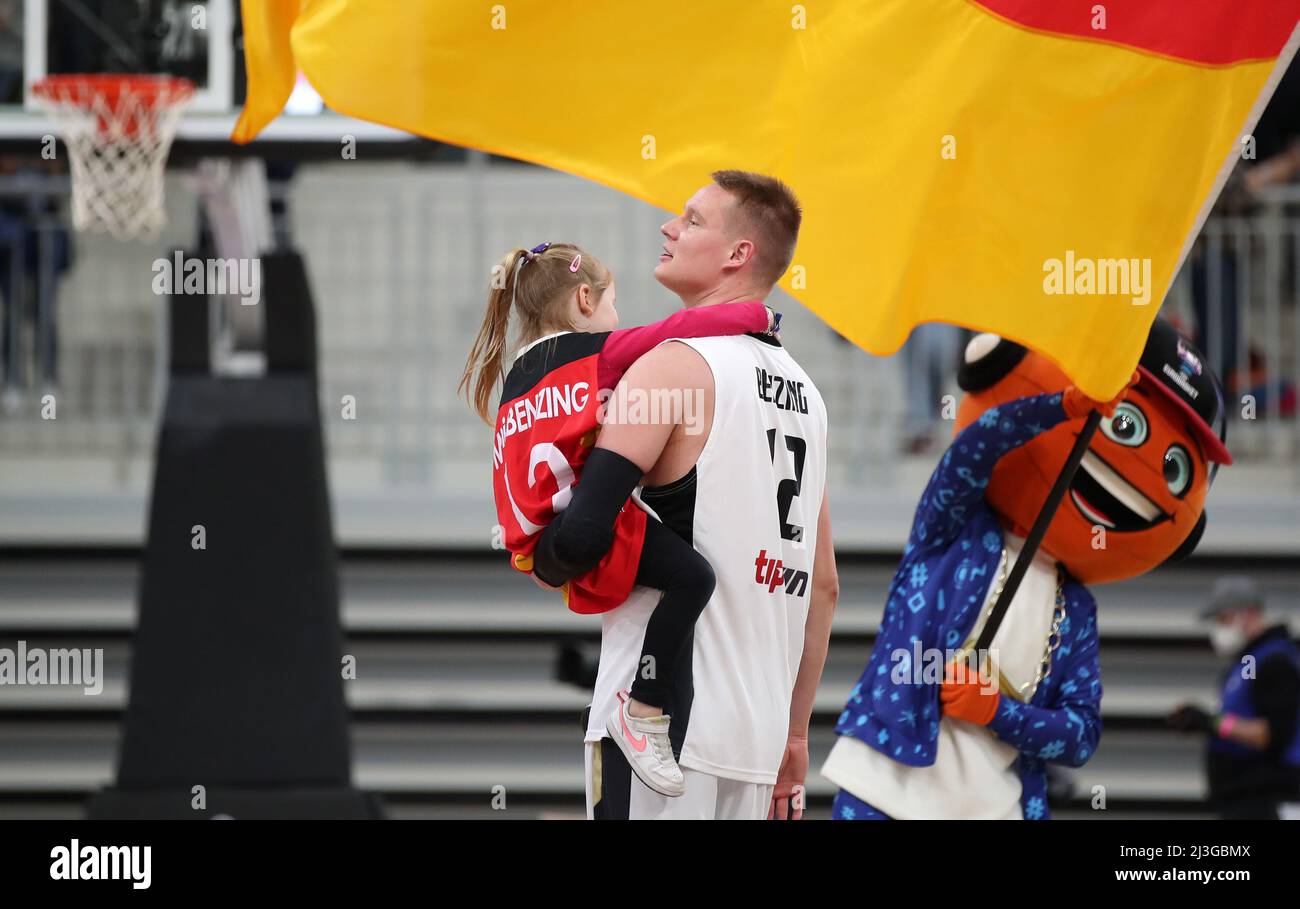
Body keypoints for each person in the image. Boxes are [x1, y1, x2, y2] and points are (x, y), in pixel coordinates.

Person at [825, 320, 1232, 819]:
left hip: (998, 807)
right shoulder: (953, 528)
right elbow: (977, 445)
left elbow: (1081, 735)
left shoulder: (1076, 609)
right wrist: (1065, 407)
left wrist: (998, 711)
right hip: (883, 787)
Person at [533, 170, 838, 820]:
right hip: (756, 739)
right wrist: (793, 735)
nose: (670, 228)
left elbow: (580, 536)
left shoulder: (672, 363)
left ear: (738, 254)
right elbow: (825, 585)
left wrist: (539, 549)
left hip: (660, 727)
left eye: (693, 219)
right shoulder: (808, 395)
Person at [460, 241, 780, 796]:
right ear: (585, 298)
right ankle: (646, 709)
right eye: (613, 303)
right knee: (693, 577)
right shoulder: (595, 354)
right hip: (585, 526)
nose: (618, 318)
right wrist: (760, 316)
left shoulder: (516, 378)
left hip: (535, 535)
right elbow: (681, 328)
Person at [1168, 576, 1300, 819]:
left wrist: (1212, 723)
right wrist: (1198, 722)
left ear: (1249, 614)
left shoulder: (1275, 661)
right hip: (1243, 802)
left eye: (1223, 619)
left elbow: (1275, 734)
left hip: (1268, 801)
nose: (1219, 629)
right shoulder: (1248, 661)